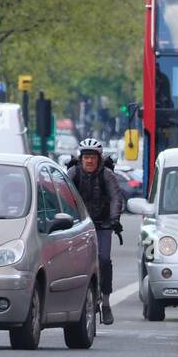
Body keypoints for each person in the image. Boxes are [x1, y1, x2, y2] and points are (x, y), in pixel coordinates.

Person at [67, 138, 124, 324]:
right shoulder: (73, 173)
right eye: (86, 157)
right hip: (80, 225)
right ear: (80, 158)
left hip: (103, 224)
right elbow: (62, 194)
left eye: (92, 157)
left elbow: (116, 198)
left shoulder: (107, 175)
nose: (89, 161)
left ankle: (106, 304)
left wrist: (114, 219)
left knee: (104, 260)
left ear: (99, 158)